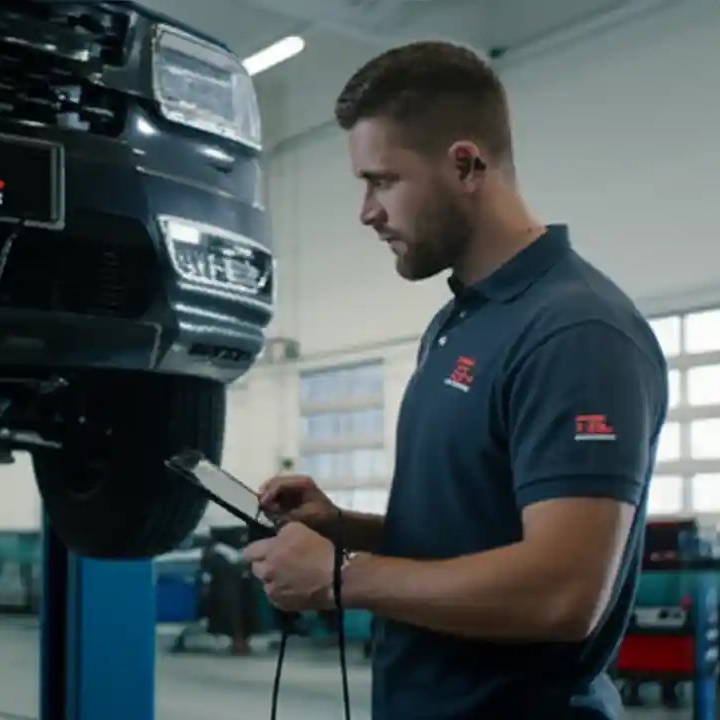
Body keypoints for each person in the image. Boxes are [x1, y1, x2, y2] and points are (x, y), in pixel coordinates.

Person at [242, 40, 668, 719]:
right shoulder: (458, 324)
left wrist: (342, 578)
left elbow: (563, 594)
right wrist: (344, 528)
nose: (367, 214)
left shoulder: (577, 333)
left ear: (466, 164)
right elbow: (471, 537)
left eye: (382, 182)